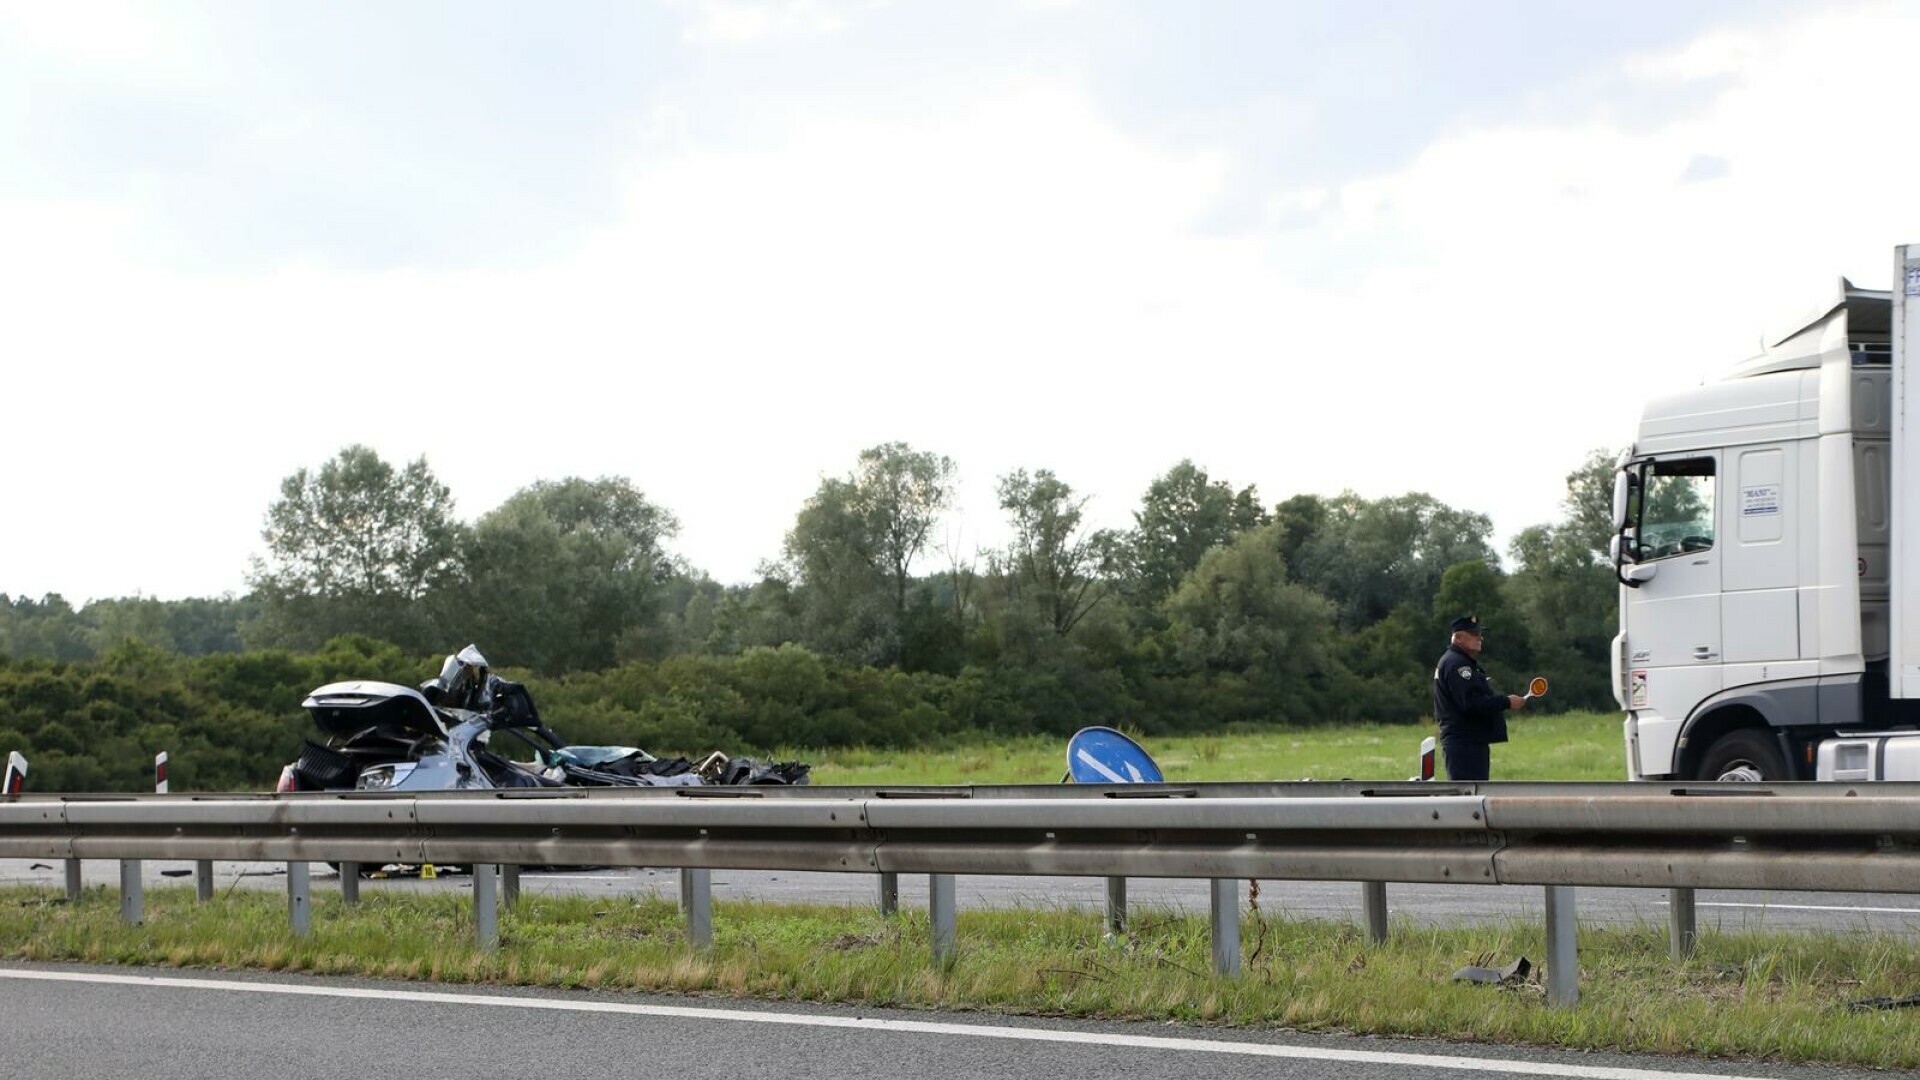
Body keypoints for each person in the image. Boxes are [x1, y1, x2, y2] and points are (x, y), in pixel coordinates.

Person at [1431, 615, 1525, 781]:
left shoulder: (1457, 661)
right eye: (1474, 635)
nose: (1480, 638)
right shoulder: (1458, 665)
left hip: (1469, 741)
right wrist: (1507, 701)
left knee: (1473, 796)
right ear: (1458, 638)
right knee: (1467, 797)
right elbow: (1472, 703)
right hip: (1464, 742)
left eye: (1480, 634)